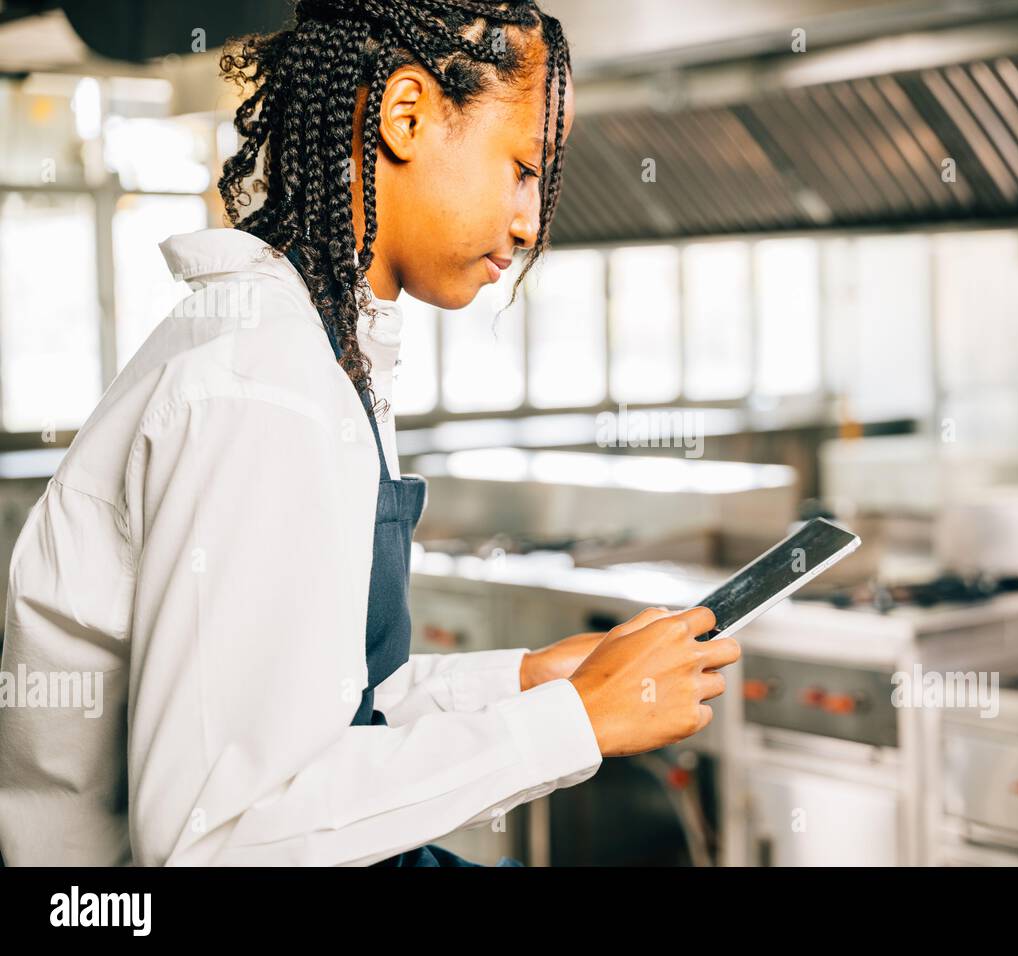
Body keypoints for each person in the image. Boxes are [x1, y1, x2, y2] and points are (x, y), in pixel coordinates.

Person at [0, 0, 739, 867]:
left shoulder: (308, 347)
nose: (530, 221)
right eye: (522, 168)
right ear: (407, 115)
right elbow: (217, 836)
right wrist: (572, 725)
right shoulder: (263, 390)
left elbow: (326, 714)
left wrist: (529, 680)